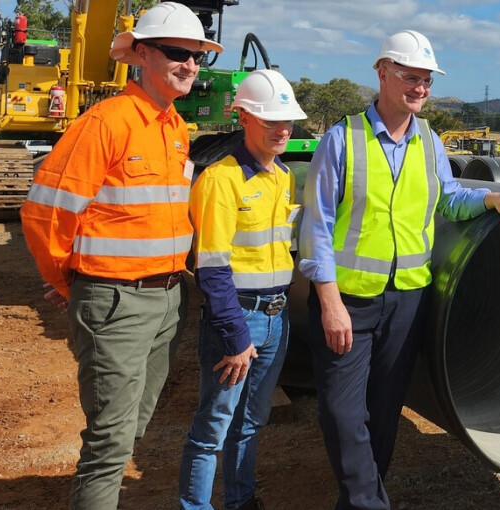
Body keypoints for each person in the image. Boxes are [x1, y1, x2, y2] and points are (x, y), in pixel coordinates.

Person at [298, 29, 500, 510]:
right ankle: (368, 502)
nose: (420, 87)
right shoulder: (342, 140)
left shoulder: (429, 140)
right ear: (382, 72)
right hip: (349, 301)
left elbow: (447, 198)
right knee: (341, 411)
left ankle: (361, 498)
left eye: (426, 79)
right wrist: (330, 302)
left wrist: (490, 197)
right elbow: (316, 229)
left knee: (383, 412)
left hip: (407, 300)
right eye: (410, 76)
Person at [19, 3, 221, 509]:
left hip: (168, 300)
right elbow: (46, 212)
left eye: (198, 57)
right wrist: (69, 280)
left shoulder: (175, 128)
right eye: (178, 53)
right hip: (115, 303)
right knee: (110, 443)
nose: (190, 66)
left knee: (133, 429)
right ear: (143, 55)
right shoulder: (106, 123)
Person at [178, 69, 307, 510]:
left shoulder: (283, 176)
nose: (282, 130)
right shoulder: (221, 180)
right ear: (244, 117)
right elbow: (211, 269)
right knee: (214, 424)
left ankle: (241, 501)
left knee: (251, 421)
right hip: (238, 319)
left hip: (276, 318)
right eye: (272, 120)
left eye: (287, 121)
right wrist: (235, 337)